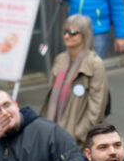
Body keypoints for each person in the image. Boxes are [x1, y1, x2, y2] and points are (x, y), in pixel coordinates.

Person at [41, 14, 109, 147]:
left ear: (85, 35)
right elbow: (50, 99)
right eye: (65, 32)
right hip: (53, 133)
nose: (67, 36)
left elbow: (97, 108)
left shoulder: (95, 64)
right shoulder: (60, 59)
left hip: (78, 141)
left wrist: (80, 134)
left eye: (73, 33)